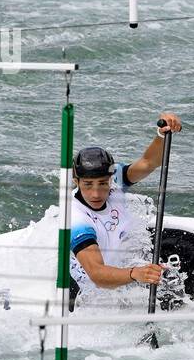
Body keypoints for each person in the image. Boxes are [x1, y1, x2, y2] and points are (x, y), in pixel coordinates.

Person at [67, 112, 183, 299]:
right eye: (88, 185)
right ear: (76, 181)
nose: (96, 193)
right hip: (88, 293)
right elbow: (97, 274)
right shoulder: (75, 218)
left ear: (111, 179)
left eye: (103, 184)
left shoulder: (116, 179)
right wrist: (134, 274)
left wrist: (161, 135)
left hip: (120, 271)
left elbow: (147, 163)